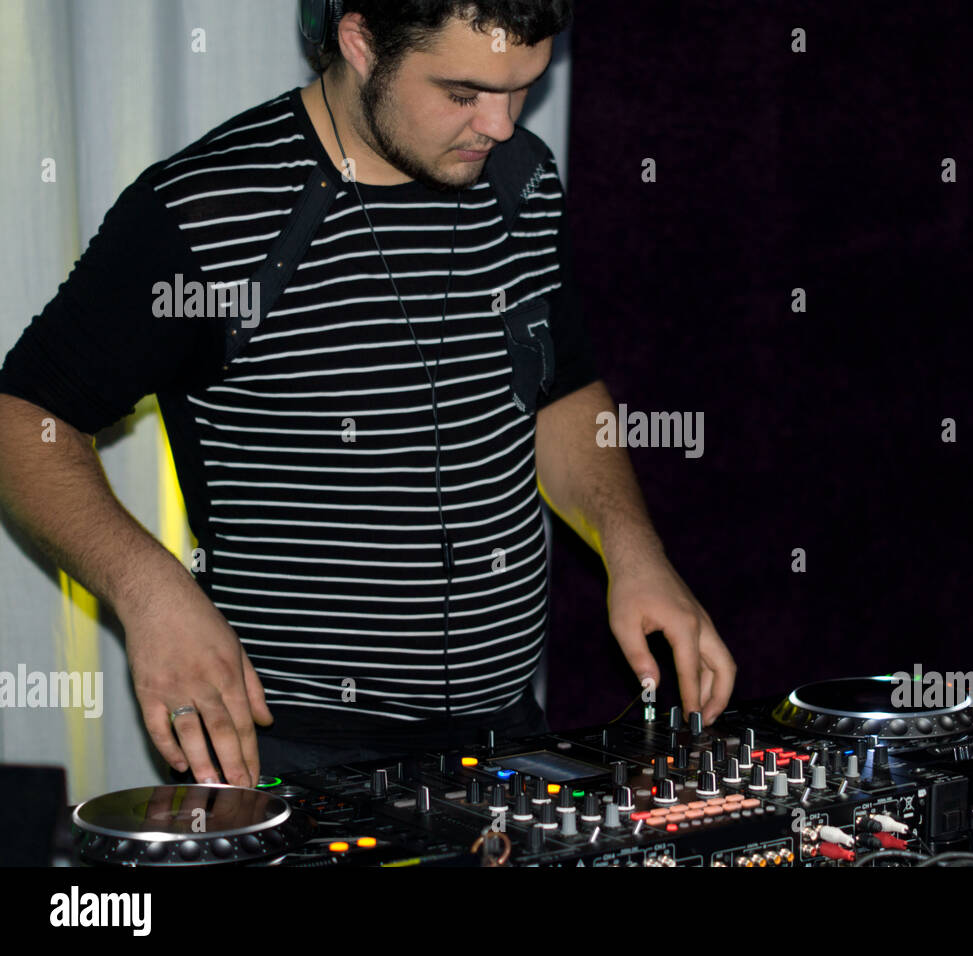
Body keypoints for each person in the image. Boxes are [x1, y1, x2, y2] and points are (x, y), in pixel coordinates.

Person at [0, 0, 734, 784]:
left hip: (510, 737)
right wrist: (148, 589)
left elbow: (560, 391)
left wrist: (634, 551)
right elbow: (22, 417)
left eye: (523, 88)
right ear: (358, 41)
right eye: (463, 93)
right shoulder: (210, 210)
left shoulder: (524, 178)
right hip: (291, 751)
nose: (500, 124)